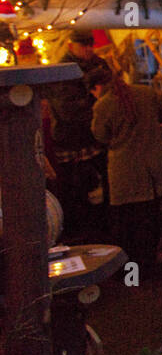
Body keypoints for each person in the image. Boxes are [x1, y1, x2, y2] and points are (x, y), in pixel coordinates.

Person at [89, 62, 162, 278]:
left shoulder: (103, 105)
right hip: (154, 167)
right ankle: (150, 267)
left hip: (124, 173)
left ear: (98, 87)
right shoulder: (146, 93)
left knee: (128, 226)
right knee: (150, 220)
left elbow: (100, 135)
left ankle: (132, 275)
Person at [45, 28, 108, 238]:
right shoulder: (62, 71)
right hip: (71, 142)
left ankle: (99, 234)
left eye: (91, 44)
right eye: (84, 45)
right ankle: (81, 238)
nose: (89, 49)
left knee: (98, 193)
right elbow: (67, 110)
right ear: (72, 46)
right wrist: (96, 104)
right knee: (77, 195)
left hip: (95, 140)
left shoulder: (99, 65)